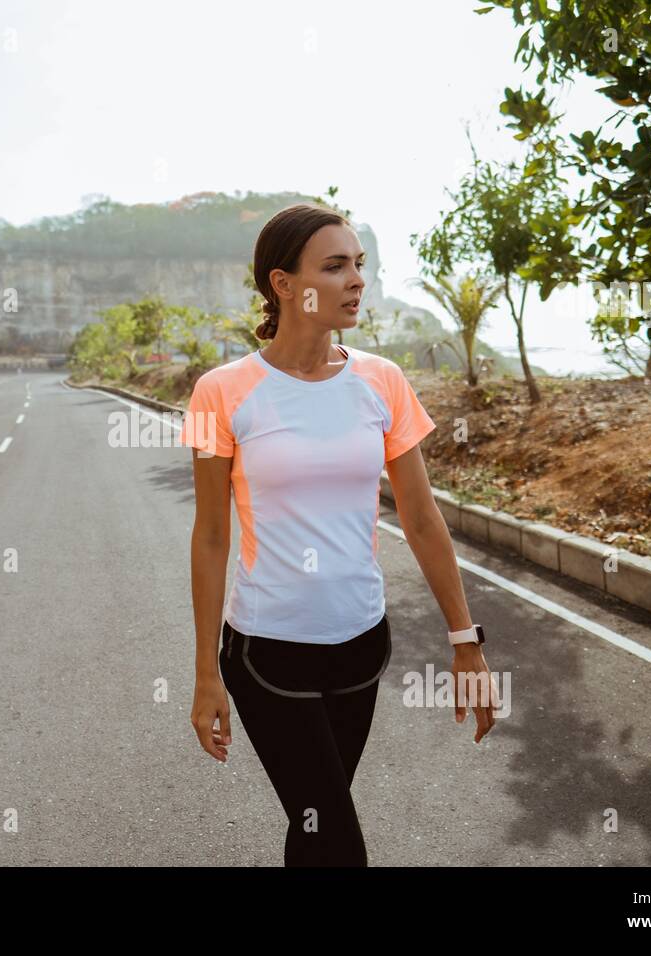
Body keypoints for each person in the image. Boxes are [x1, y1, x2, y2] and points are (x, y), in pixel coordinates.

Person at [181, 203, 497, 867]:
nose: (357, 279)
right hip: (267, 653)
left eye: (359, 264)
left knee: (317, 823)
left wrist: (465, 643)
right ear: (284, 284)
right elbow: (211, 537)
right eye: (335, 266)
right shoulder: (224, 392)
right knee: (336, 839)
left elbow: (419, 515)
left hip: (361, 647)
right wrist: (205, 672)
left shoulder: (381, 381)